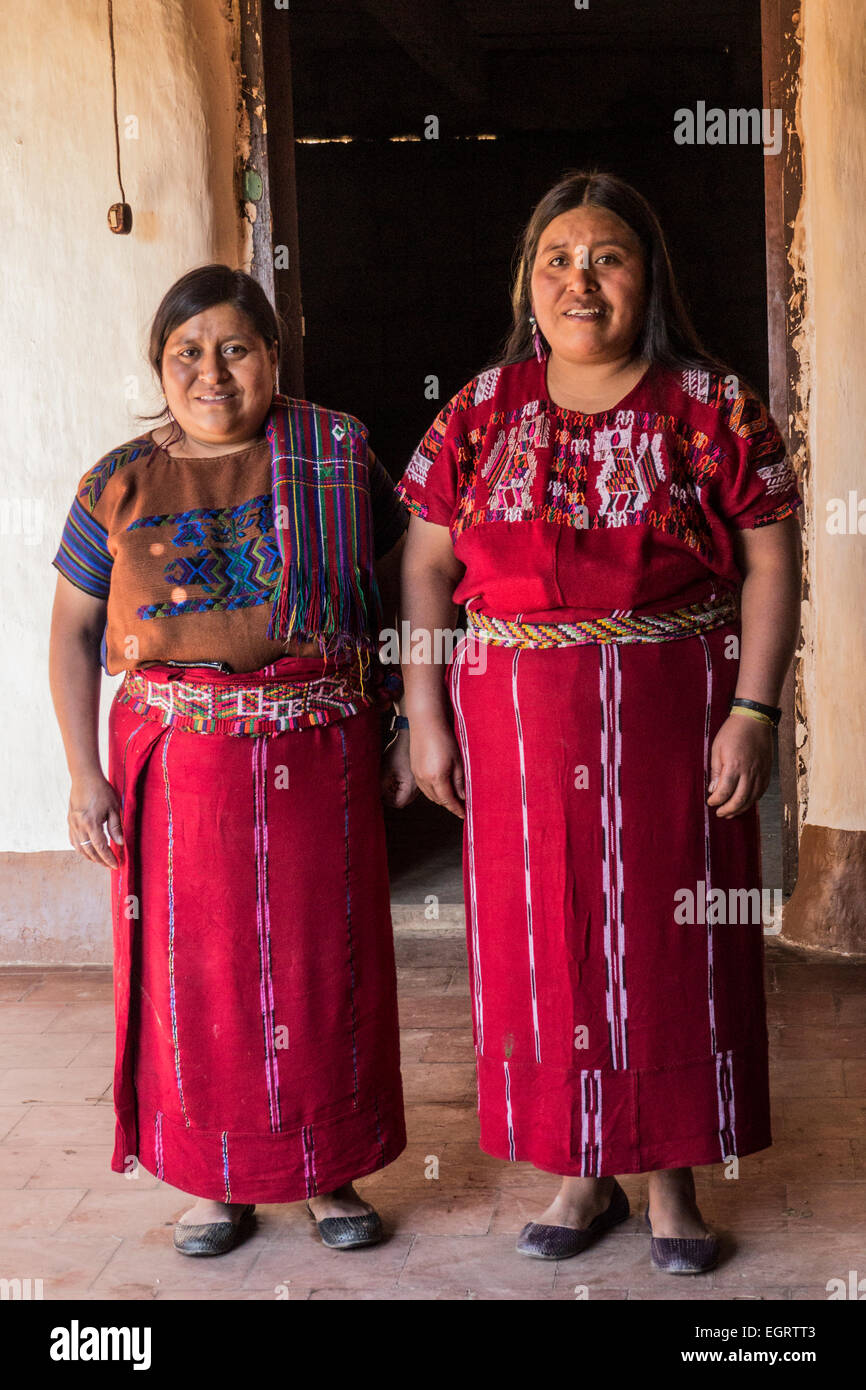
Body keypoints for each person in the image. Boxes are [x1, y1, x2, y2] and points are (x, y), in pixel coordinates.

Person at [397, 171, 802, 1274]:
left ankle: (669, 1178)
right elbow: (427, 562)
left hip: (672, 720)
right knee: (547, 948)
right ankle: (580, 1166)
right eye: (557, 260)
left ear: (647, 277)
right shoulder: (480, 410)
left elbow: (771, 558)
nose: (580, 280)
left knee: (667, 947)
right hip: (519, 729)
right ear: (528, 282)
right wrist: (422, 710)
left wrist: (754, 710)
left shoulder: (711, 405)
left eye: (607, 258)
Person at [49, 264, 414, 1256]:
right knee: (196, 975)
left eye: (236, 348)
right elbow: (75, 634)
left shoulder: (337, 457)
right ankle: (216, 1181)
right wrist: (85, 774)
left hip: (318, 754)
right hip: (176, 771)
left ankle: (325, 1171)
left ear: (274, 356)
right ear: (159, 369)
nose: (212, 374)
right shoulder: (116, 479)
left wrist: (407, 723)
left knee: (314, 969)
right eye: (186, 354)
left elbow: (411, 588)